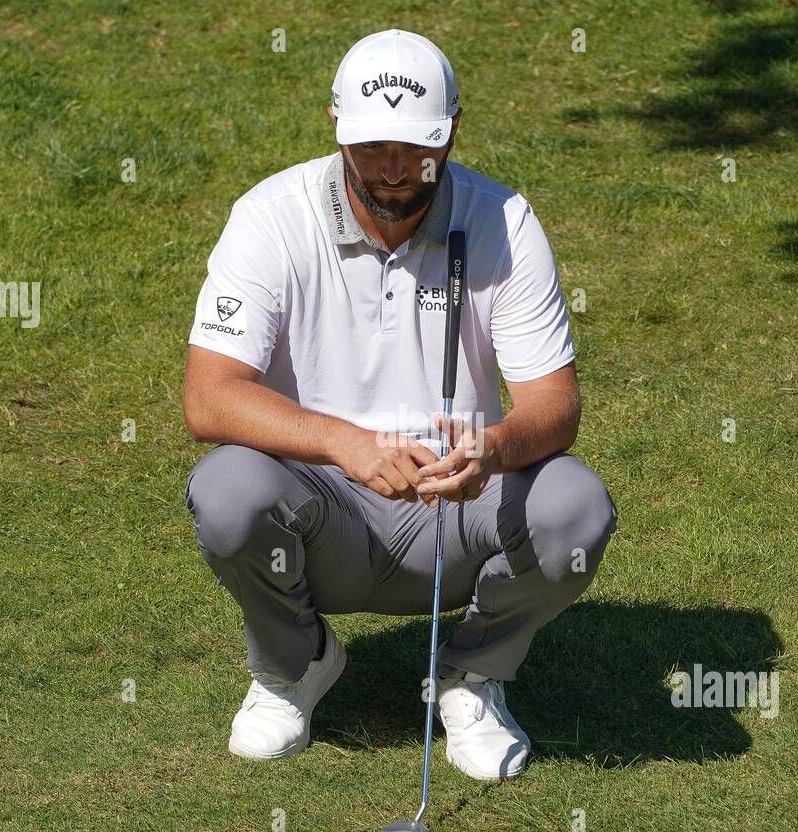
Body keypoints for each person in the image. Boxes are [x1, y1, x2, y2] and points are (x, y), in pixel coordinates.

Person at [182, 29, 616, 781]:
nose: (392, 169)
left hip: (458, 504)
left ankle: (473, 676)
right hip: (321, 511)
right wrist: (346, 443)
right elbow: (208, 398)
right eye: (371, 145)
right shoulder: (270, 216)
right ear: (336, 126)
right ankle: (296, 666)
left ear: (451, 131)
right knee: (226, 492)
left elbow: (556, 404)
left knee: (576, 505)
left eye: (414, 147)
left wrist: (494, 450)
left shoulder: (504, 220)